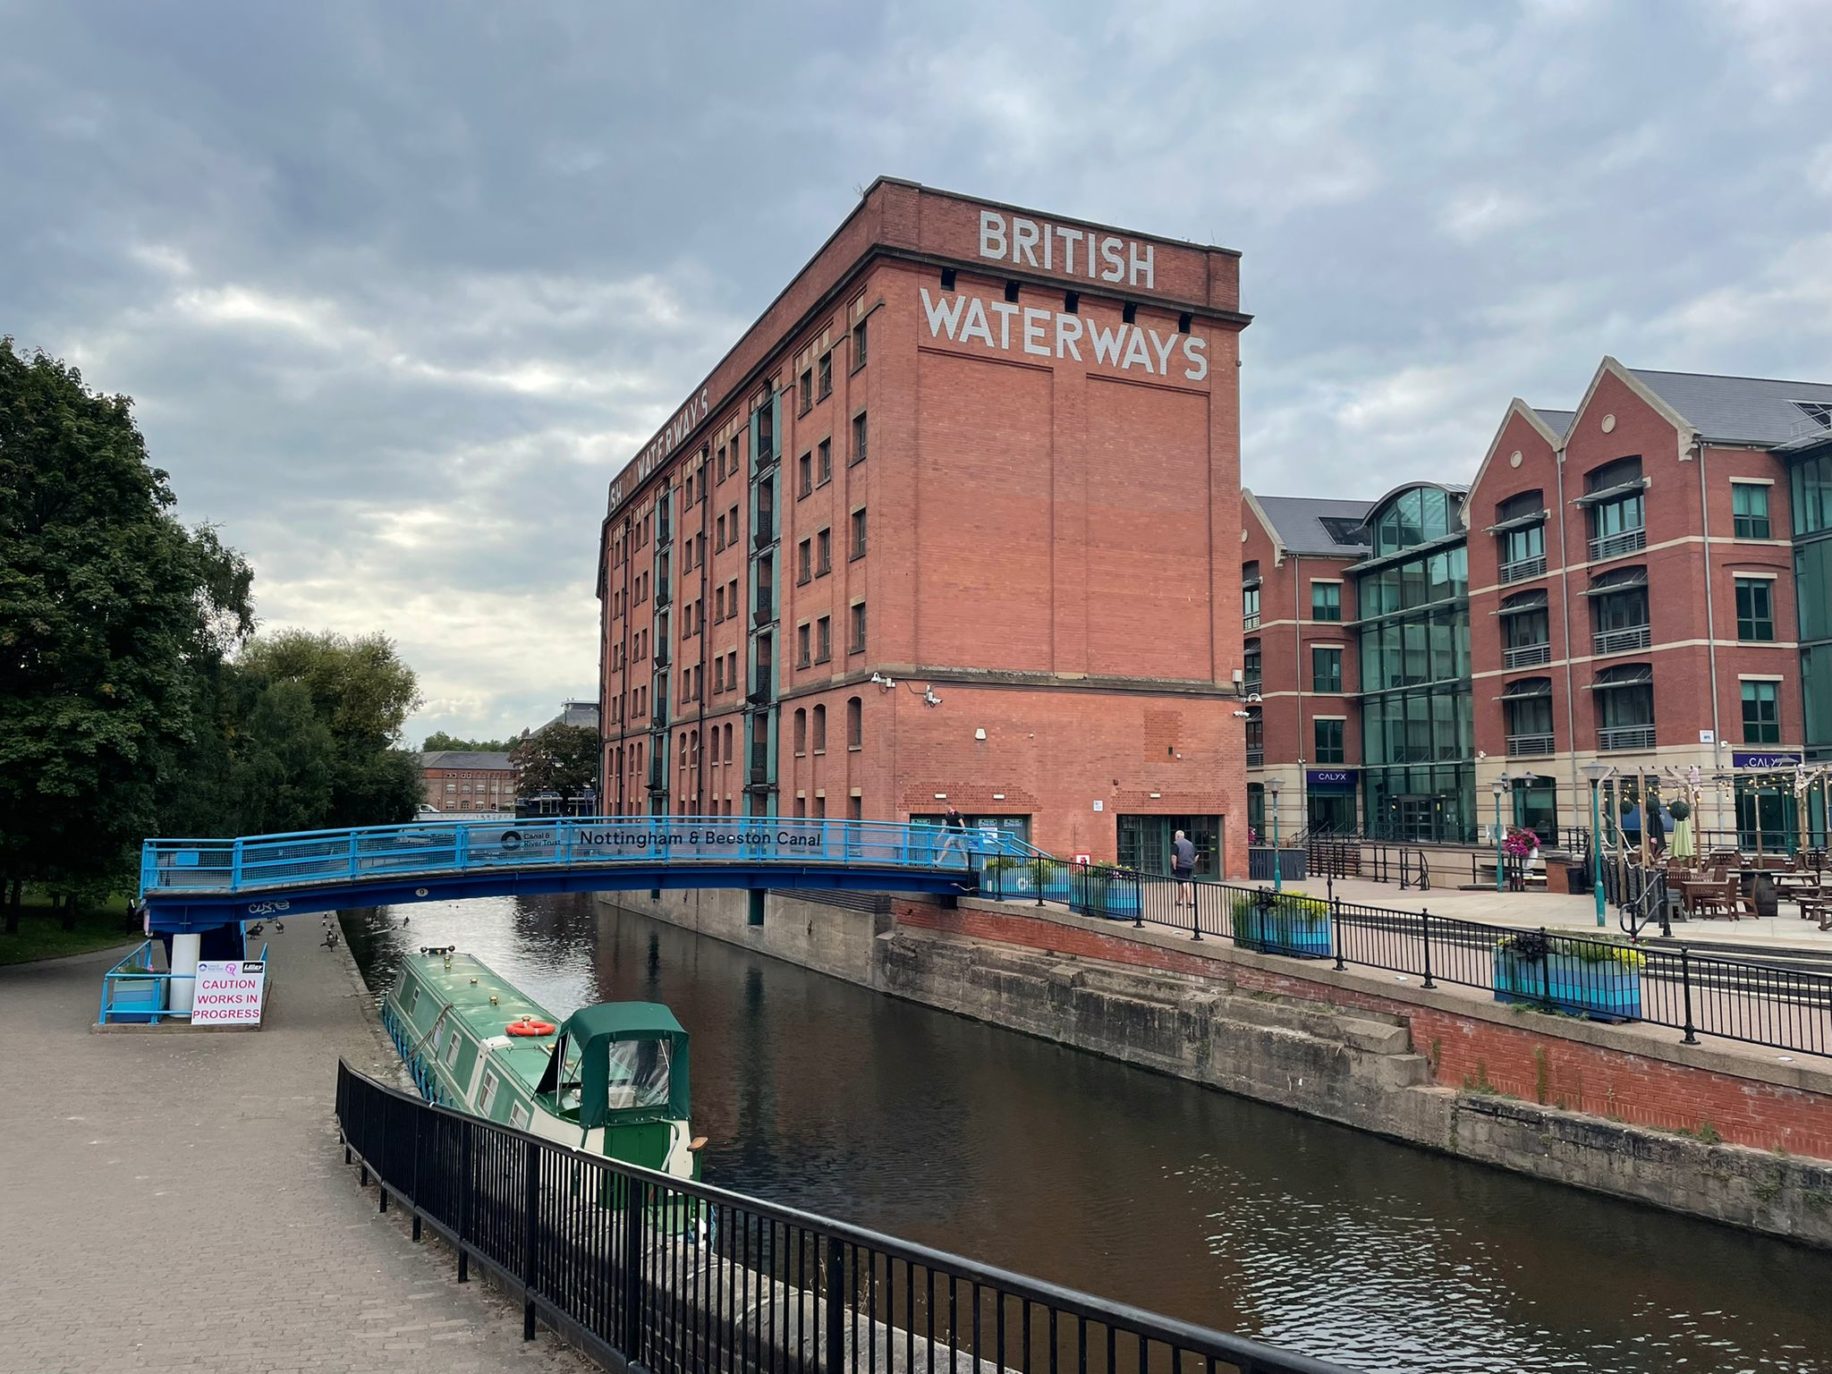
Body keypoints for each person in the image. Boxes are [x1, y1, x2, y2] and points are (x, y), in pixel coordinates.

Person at [1171, 829, 1197, 907]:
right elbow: (1197, 855)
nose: (1175, 837)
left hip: (1181, 866)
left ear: (1178, 836)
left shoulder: (1176, 844)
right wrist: (1193, 862)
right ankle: (1179, 900)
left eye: (1175, 836)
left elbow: (1174, 856)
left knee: (1185, 883)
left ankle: (1190, 901)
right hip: (1189, 866)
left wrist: (1174, 865)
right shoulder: (1190, 844)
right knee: (1181, 883)